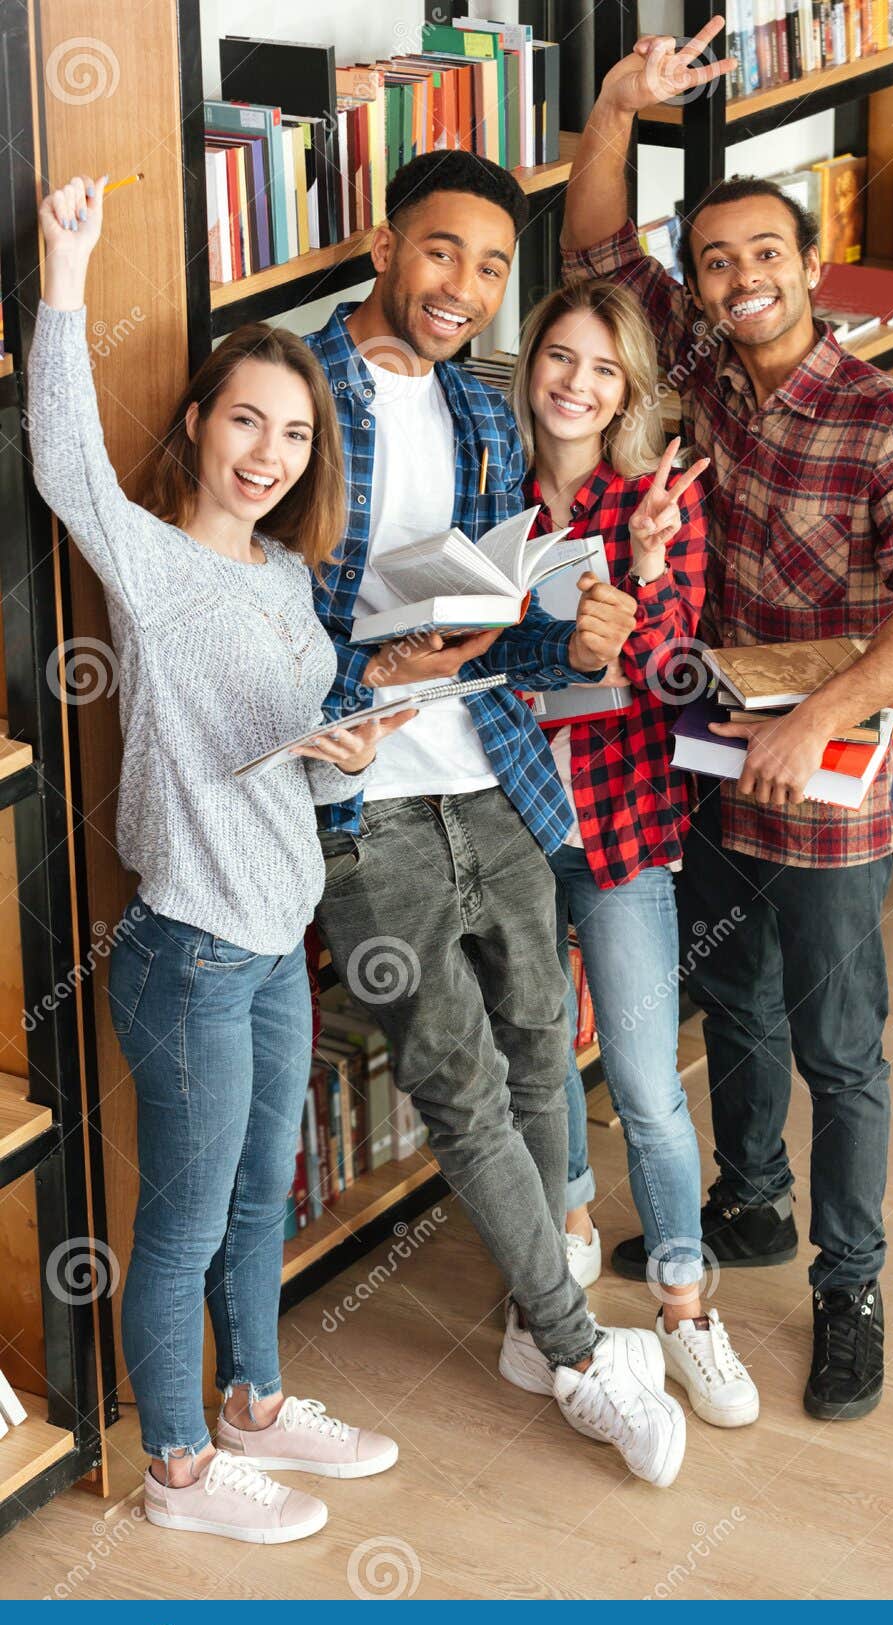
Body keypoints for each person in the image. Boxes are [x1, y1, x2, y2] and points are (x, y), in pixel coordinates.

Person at [560, 20, 893, 1420]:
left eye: (763, 255)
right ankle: (746, 1205)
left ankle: (846, 1284)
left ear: (808, 267)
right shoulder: (684, 367)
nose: (738, 280)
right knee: (729, 1011)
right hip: (695, 778)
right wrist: (618, 105)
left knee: (837, 1046)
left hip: (820, 794)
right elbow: (588, 258)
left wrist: (820, 718)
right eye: (711, 260)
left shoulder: (884, 422)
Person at [29, 174, 415, 1545]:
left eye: (293, 432)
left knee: (262, 1188)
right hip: (190, 943)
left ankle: (252, 1396)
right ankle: (179, 1471)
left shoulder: (281, 576)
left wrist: (343, 745)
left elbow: (285, 725)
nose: (266, 451)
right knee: (185, 1218)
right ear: (195, 423)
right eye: (244, 418)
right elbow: (64, 458)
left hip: (274, 928)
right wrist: (65, 267)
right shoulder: (150, 564)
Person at [305, 149, 686, 1488]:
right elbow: (257, 639)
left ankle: (534, 1326)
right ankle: (582, 1357)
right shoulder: (298, 397)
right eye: (438, 252)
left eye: (487, 266)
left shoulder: (478, 415)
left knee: (539, 1051)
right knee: (455, 1081)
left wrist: (576, 639)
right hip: (367, 807)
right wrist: (373, 673)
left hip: (498, 777)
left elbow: (492, 639)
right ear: (378, 241)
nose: (461, 286)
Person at [510, 278, 758, 1429]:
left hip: (618, 830)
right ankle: (557, 1268)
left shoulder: (651, 500)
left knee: (649, 1089)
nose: (576, 383)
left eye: (603, 369)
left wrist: (649, 572)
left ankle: (680, 1304)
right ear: (532, 366)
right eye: (560, 357)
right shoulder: (490, 494)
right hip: (509, 825)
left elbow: (666, 681)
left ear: (627, 392)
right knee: (538, 1064)